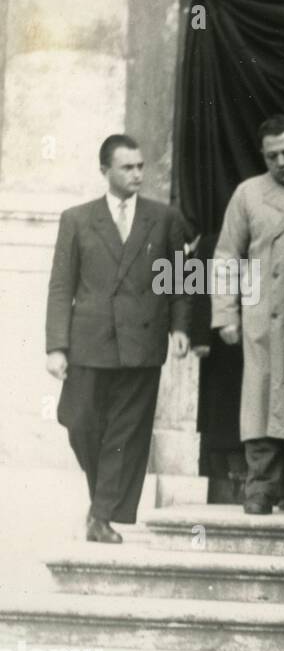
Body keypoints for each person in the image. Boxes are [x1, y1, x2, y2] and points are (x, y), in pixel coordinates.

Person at [45, 134, 191, 543]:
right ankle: (102, 502)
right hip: (89, 342)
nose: (137, 174)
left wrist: (180, 328)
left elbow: (181, 281)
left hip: (142, 344)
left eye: (141, 166)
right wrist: (56, 346)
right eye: (127, 167)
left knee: (126, 432)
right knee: (79, 422)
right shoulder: (76, 218)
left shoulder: (165, 218)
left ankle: (102, 514)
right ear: (104, 171)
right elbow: (61, 285)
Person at [212, 114, 284, 514]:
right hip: (263, 312)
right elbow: (227, 254)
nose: (280, 162)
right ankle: (261, 487)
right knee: (261, 400)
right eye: (271, 156)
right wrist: (226, 312)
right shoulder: (248, 193)